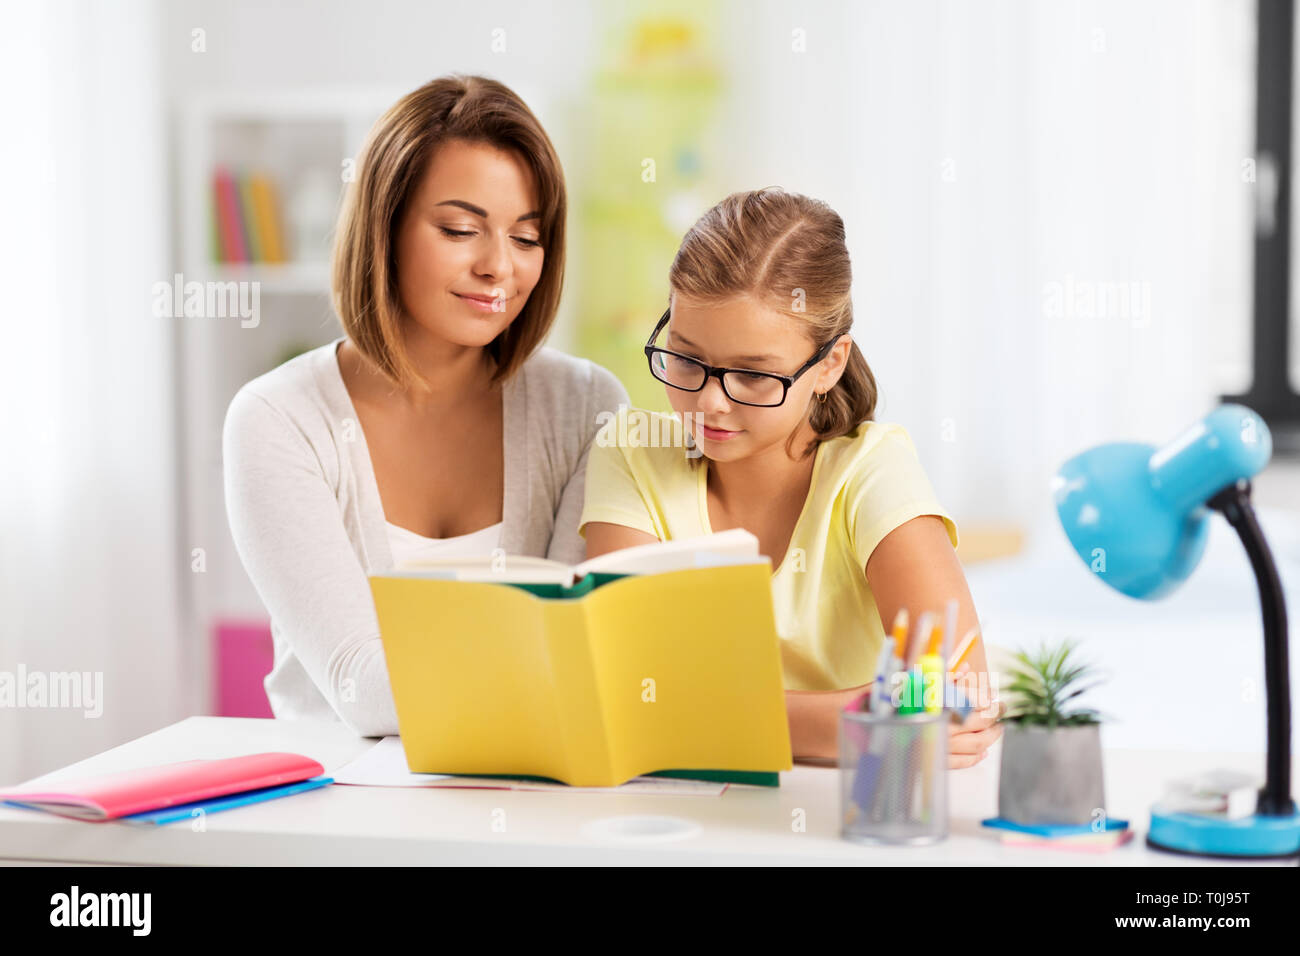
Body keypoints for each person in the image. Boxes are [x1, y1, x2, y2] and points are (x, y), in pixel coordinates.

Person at [223, 75, 628, 736]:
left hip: (534, 799)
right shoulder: (277, 419)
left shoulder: (585, 405)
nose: (501, 266)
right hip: (338, 808)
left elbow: (580, 652)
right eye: (462, 229)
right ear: (384, 229)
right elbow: (363, 688)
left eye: (527, 238)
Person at [579, 187, 1003, 765]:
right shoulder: (631, 450)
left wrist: (701, 715)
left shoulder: (870, 472)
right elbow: (616, 689)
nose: (709, 404)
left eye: (754, 375)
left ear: (829, 363)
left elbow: (959, 701)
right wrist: (856, 720)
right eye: (685, 358)